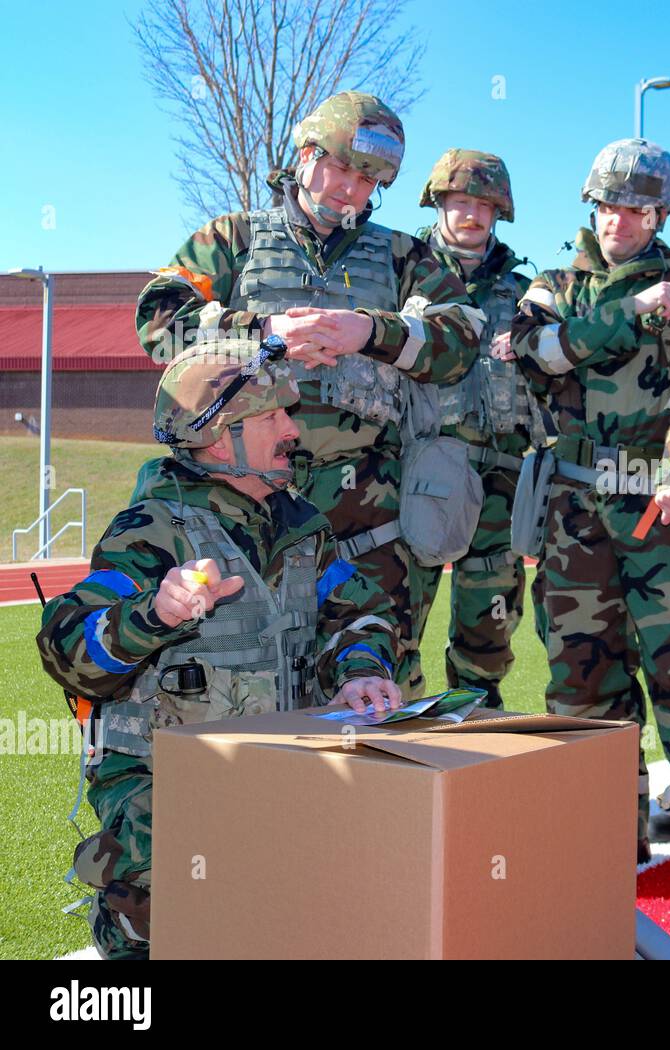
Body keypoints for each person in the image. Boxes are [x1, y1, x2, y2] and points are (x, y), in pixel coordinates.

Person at [36, 340, 403, 960]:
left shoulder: (298, 524)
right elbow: (66, 643)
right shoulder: (151, 530)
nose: (291, 429)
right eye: (269, 418)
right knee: (174, 911)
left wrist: (359, 671)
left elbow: (358, 610)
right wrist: (152, 614)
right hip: (168, 782)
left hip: (279, 769)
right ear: (215, 436)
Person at [136, 91, 483, 699]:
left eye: (370, 179)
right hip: (247, 503)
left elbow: (462, 338)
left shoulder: (405, 255)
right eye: (344, 169)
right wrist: (265, 336)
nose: (354, 190)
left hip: (371, 519)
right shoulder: (233, 238)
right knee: (239, 677)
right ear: (305, 154)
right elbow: (160, 320)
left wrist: (372, 331)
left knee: (377, 681)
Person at [512, 138, 670, 900]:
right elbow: (532, 352)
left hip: (664, 515)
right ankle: (599, 843)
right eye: (612, 204)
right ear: (592, 206)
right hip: (574, 517)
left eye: (641, 208)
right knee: (582, 686)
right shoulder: (554, 285)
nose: (622, 219)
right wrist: (631, 312)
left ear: (662, 214)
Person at [416, 149, 548, 707]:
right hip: (420, 466)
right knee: (398, 603)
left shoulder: (525, 292)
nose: (471, 215)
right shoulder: (405, 271)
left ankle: (474, 715)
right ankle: (385, 726)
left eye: (484, 206)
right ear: (440, 202)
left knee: (490, 614)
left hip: (502, 472)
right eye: (461, 202)